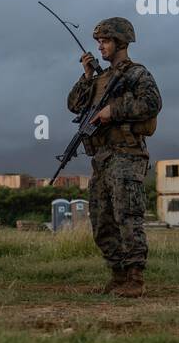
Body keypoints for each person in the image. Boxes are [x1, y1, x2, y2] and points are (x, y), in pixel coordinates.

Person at [66, 17, 162, 297]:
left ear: (120, 42)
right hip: (103, 157)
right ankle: (118, 276)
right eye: (99, 41)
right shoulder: (99, 79)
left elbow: (152, 103)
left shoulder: (135, 74)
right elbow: (74, 105)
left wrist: (113, 111)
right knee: (101, 218)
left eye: (105, 41)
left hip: (127, 154)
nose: (100, 46)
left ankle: (135, 278)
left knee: (127, 215)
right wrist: (86, 77)